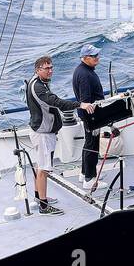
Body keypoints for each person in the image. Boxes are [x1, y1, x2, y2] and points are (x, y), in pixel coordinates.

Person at [25, 55, 95, 216]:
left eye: (51, 67)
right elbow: (57, 102)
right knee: (44, 169)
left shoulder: (36, 81)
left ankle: (39, 197)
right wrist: (81, 104)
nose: (50, 70)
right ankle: (44, 206)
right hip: (43, 133)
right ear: (38, 70)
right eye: (46, 68)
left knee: (40, 166)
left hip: (40, 130)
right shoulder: (39, 88)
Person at [72, 43, 105, 192]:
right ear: (85, 58)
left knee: (89, 143)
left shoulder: (84, 70)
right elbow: (85, 100)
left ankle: (84, 173)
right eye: (94, 56)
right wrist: (92, 119)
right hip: (91, 116)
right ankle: (89, 179)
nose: (97, 58)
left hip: (89, 116)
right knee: (93, 146)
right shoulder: (84, 74)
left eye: (97, 55)